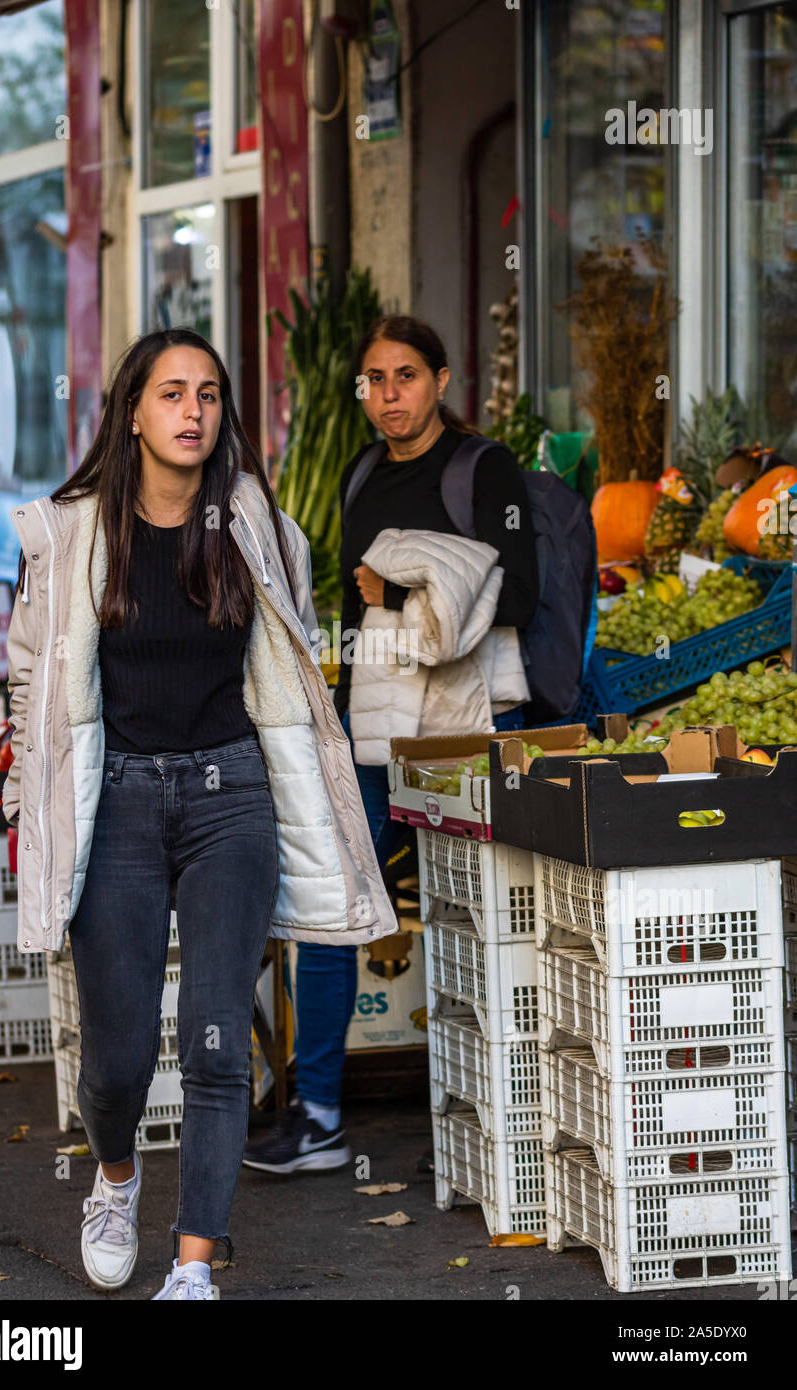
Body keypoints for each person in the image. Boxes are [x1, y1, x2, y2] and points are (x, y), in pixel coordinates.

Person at [1, 327, 397, 1300]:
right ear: (132, 411)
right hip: (120, 806)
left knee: (218, 1036)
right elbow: (28, 679)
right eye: (172, 392)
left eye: (209, 393)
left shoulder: (251, 521)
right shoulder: (73, 531)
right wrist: (28, 794)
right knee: (119, 1058)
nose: (193, 410)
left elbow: (292, 658)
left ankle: (192, 1266)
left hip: (232, 800)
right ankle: (118, 1174)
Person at [242, 314, 538, 1175]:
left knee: (482, 917)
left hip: (465, 730)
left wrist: (402, 585)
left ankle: (497, 1120)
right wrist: (325, 709)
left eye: (405, 376)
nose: (388, 395)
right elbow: (344, 610)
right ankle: (323, 1115)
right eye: (374, 380)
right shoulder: (361, 471)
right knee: (333, 908)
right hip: (371, 731)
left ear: (441, 380)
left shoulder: (485, 469)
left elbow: (519, 594)